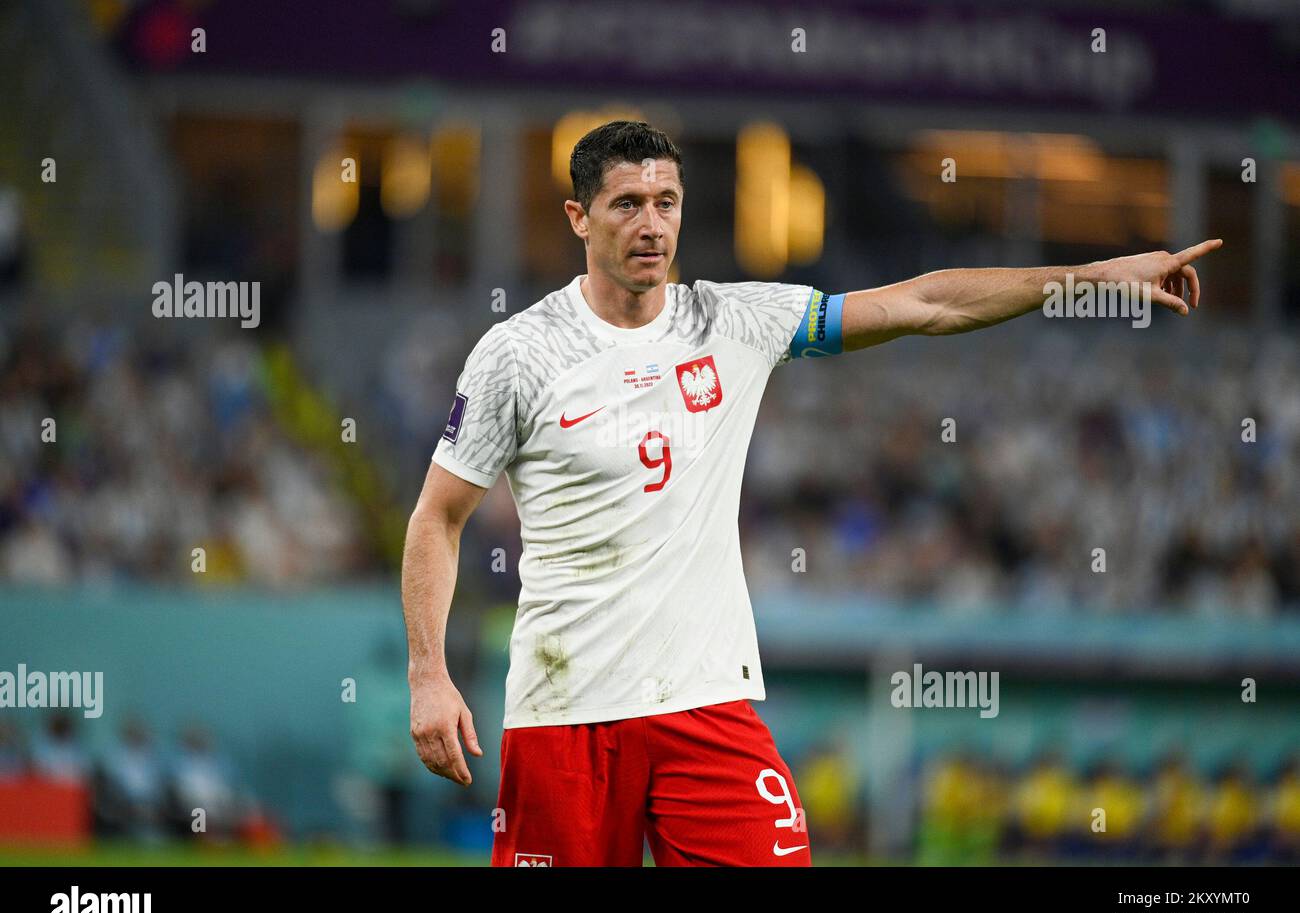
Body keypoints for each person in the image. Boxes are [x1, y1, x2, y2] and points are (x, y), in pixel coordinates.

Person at [401, 119, 1222, 867]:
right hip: (566, 713)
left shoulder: (736, 321)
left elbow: (924, 302)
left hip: (705, 703)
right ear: (580, 218)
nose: (651, 225)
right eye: (625, 205)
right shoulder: (518, 354)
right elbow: (438, 518)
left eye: (666, 202)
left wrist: (1093, 276)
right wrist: (429, 675)